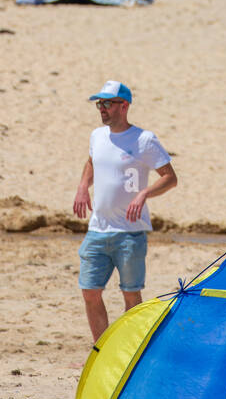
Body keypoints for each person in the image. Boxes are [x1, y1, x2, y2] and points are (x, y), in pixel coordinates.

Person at [72, 81, 177, 341]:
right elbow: (91, 162)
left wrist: (144, 194)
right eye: (100, 104)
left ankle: (129, 352)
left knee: (131, 295)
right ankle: (101, 352)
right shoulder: (97, 136)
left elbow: (170, 178)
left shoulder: (144, 139)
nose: (102, 109)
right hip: (97, 229)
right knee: (90, 291)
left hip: (130, 233)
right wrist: (83, 186)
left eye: (107, 103)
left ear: (124, 106)